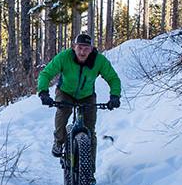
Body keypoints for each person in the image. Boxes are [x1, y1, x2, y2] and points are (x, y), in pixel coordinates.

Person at [36, 33, 122, 161]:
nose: (82, 51)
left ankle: (89, 172)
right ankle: (59, 141)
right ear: (73, 47)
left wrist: (115, 96)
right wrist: (43, 92)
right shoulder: (64, 57)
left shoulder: (99, 61)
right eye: (80, 47)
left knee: (90, 132)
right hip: (65, 92)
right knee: (63, 112)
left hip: (87, 95)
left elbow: (113, 78)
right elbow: (46, 74)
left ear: (92, 49)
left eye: (86, 48)